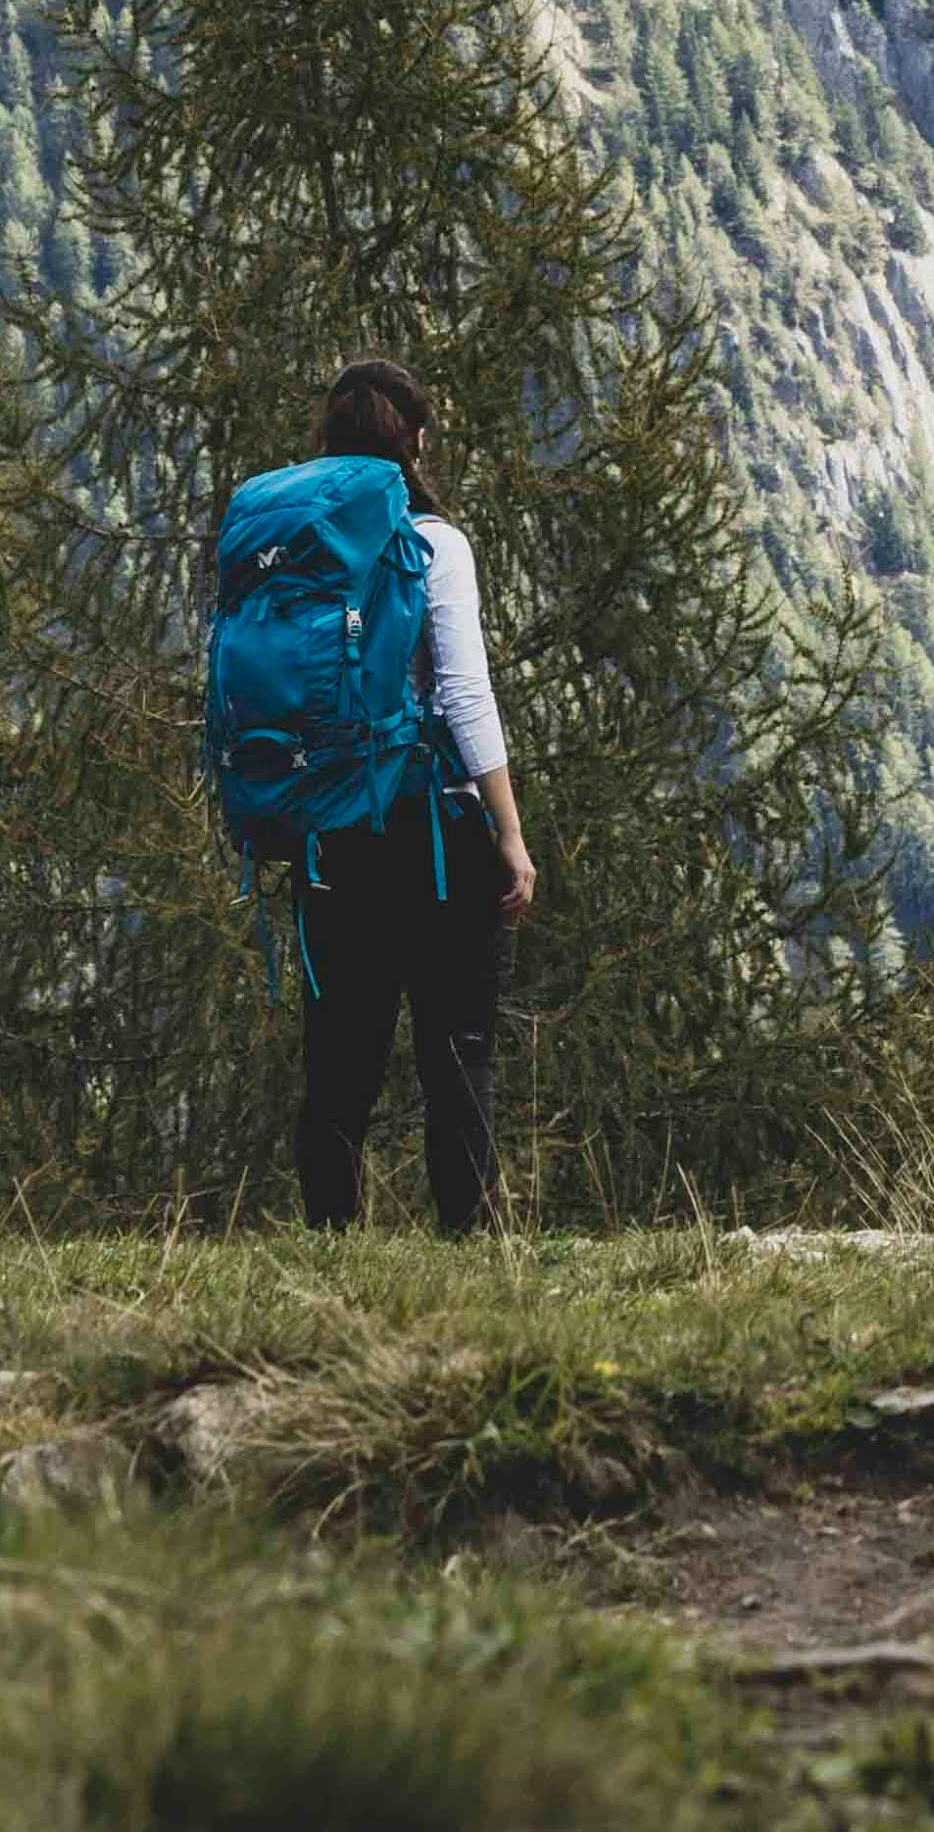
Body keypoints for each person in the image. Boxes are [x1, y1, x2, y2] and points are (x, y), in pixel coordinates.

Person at [293, 353, 539, 1236]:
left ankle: (329, 1243)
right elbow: (465, 696)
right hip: (432, 822)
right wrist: (509, 832)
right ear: (418, 440)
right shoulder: (434, 543)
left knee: (339, 1057)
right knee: (458, 1047)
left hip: (328, 825)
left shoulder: (292, 542)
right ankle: (466, 1243)